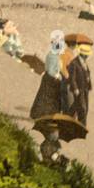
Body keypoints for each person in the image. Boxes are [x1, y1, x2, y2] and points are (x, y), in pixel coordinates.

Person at [31, 30, 68, 163]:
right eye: (58, 42)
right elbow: (51, 71)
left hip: (53, 81)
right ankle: (45, 114)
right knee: (48, 99)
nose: (60, 45)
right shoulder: (52, 56)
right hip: (50, 81)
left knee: (51, 101)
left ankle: (48, 114)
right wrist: (58, 76)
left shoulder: (56, 55)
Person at [63, 36, 93, 129]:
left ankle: (75, 124)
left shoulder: (84, 62)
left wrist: (89, 83)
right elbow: (72, 78)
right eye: (86, 54)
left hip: (85, 89)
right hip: (78, 89)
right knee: (81, 108)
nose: (87, 56)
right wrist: (75, 88)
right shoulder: (74, 63)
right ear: (82, 54)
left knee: (83, 107)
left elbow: (87, 74)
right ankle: (81, 126)